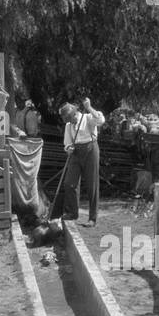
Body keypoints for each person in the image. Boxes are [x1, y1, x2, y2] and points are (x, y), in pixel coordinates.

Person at [61, 95, 105, 226]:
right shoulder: (69, 125)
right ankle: (72, 213)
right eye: (67, 120)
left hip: (91, 149)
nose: (70, 122)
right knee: (69, 183)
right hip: (75, 153)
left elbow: (101, 120)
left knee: (92, 184)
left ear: (75, 114)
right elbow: (67, 142)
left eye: (71, 119)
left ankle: (92, 218)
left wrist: (89, 107)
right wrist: (68, 148)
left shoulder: (87, 117)